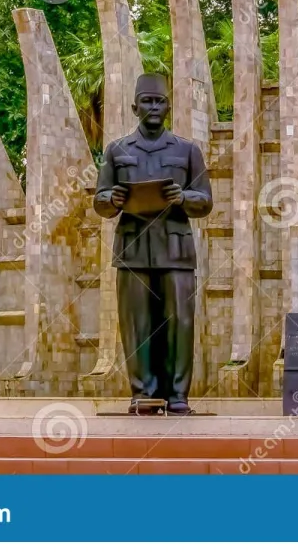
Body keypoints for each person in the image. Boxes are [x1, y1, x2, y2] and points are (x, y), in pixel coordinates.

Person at [94, 73, 212, 414]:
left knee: (180, 324)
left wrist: (182, 197)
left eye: (160, 101)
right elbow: (99, 201)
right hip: (133, 250)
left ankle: (177, 396)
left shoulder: (188, 150)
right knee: (137, 324)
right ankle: (144, 394)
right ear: (135, 107)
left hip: (176, 251)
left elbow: (205, 201)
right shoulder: (117, 150)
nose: (154, 107)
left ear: (168, 107)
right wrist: (112, 198)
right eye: (147, 101)